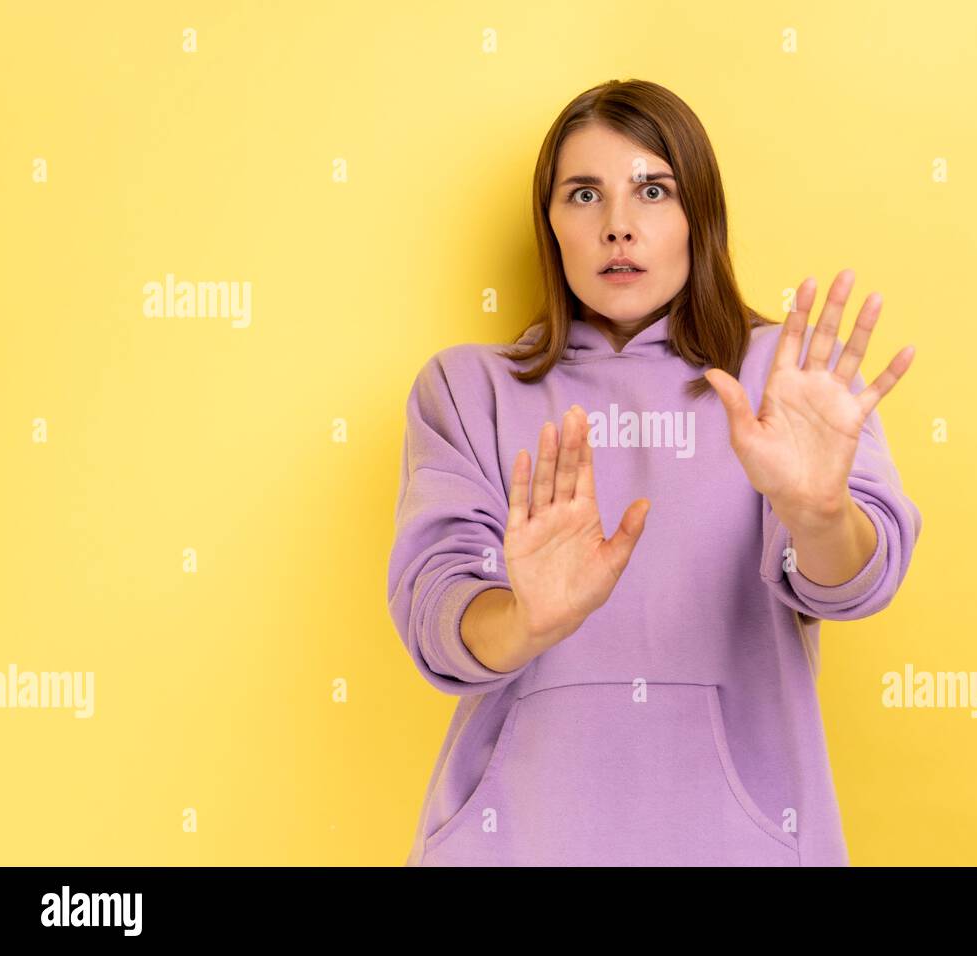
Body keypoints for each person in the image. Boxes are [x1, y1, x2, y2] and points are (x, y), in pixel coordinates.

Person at [386, 78, 922, 866]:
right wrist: (528, 618)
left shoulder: (783, 376)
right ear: (551, 226)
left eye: (652, 190)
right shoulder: (468, 389)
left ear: (697, 216)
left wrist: (817, 514)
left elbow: (853, 583)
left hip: (746, 844)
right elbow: (436, 613)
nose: (618, 227)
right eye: (583, 195)